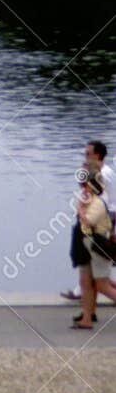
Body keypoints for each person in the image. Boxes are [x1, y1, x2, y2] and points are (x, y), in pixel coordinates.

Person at [62, 141, 114, 303]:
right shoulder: (104, 172)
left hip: (103, 216)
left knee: (95, 260)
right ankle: (84, 294)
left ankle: (84, 293)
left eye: (87, 154)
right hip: (105, 214)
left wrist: (82, 209)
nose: (85, 157)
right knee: (98, 263)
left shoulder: (101, 174)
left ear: (97, 155)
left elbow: (95, 194)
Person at [72, 172, 116, 329]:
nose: (82, 189)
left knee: (102, 285)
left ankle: (88, 317)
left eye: (85, 185)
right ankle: (87, 318)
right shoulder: (89, 201)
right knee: (88, 282)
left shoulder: (97, 202)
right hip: (88, 247)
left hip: (97, 246)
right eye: (81, 185)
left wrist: (81, 209)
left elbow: (89, 222)